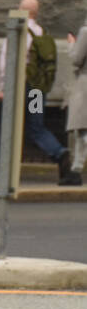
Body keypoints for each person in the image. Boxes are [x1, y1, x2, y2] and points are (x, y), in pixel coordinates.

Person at [0, 0, 72, 183]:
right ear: (36, 13)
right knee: (36, 127)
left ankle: (4, 171)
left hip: (18, 87)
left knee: (4, 128)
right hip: (37, 90)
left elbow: (7, 62)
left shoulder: (16, 30)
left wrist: (3, 87)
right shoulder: (41, 33)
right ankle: (59, 153)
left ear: (21, 10)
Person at [62, 13, 86, 186]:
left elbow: (76, 59)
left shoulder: (86, 31)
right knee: (81, 130)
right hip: (37, 91)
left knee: (83, 129)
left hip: (35, 90)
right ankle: (75, 169)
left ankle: (58, 153)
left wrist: (71, 45)